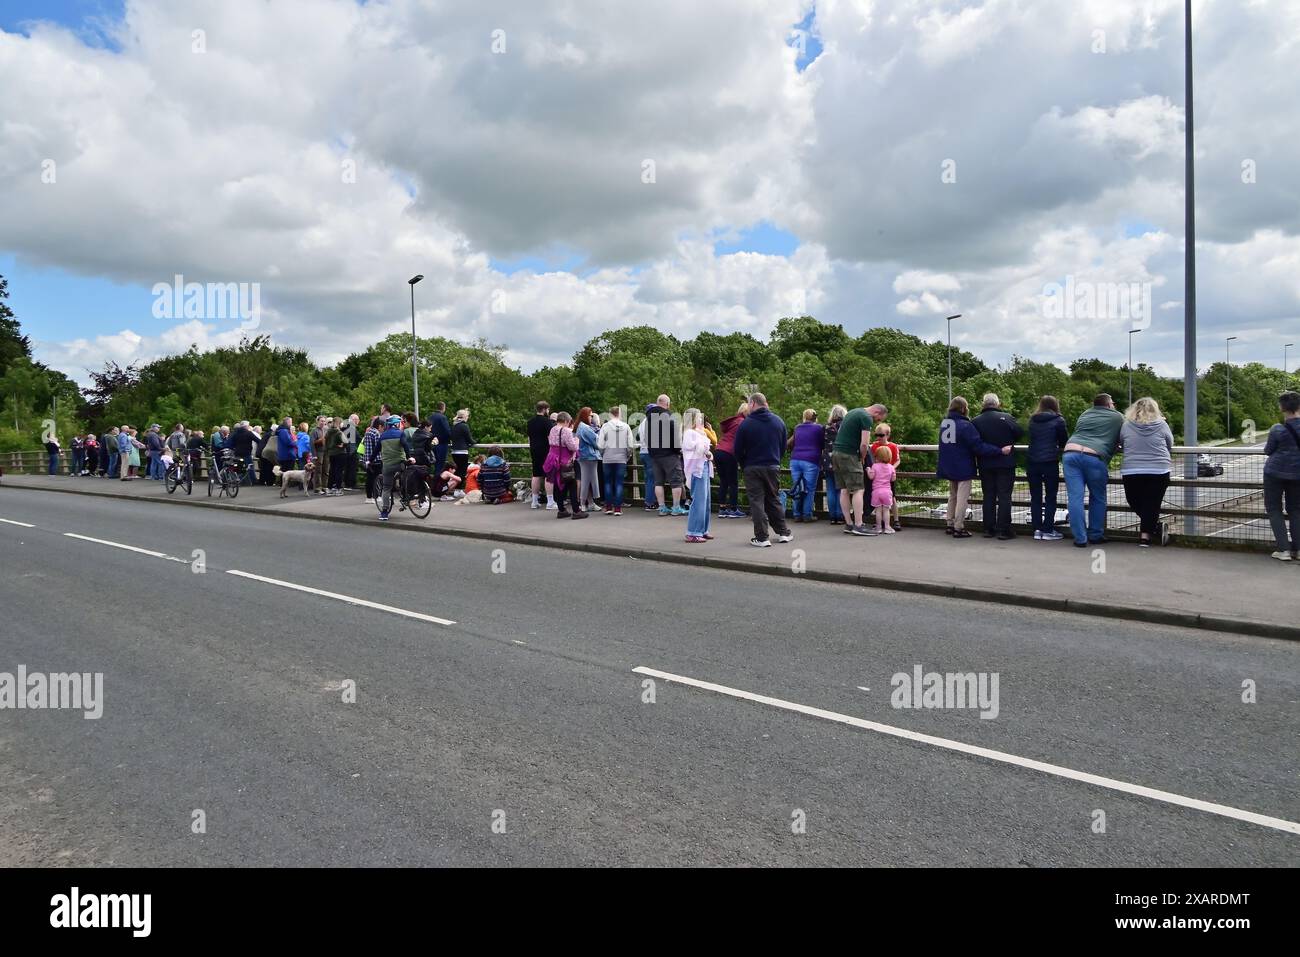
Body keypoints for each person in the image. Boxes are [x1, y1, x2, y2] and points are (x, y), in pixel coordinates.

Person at [936, 397, 1011, 540]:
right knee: (962, 498)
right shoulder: (966, 425)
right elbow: (978, 446)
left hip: (948, 465)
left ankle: (950, 523)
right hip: (962, 466)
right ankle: (959, 527)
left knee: (953, 496)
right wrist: (999, 451)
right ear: (964, 409)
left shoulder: (945, 423)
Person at [1062, 394, 1125, 547]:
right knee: (1097, 497)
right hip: (1094, 457)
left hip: (1070, 454)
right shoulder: (1118, 417)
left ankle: (1080, 538)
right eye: (1113, 403)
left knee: (1075, 498)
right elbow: (1124, 437)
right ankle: (1096, 535)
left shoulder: (1084, 414)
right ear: (1109, 404)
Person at [733, 393, 792, 548]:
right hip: (772, 466)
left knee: (756, 501)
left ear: (752, 404)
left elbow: (737, 449)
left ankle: (762, 537)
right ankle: (783, 533)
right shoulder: (778, 422)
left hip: (752, 467)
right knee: (774, 499)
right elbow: (783, 445)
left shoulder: (746, 424)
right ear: (765, 403)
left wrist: (744, 464)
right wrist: (776, 460)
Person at [1119, 397, 1174, 548]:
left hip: (1132, 469)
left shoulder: (1126, 425)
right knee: (1152, 503)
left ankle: (1145, 537)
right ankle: (1154, 528)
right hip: (1159, 469)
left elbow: (1122, 442)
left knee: (1134, 501)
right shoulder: (1162, 424)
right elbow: (1170, 443)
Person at [972, 393, 1024, 540]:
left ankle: (988, 528)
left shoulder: (975, 421)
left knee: (988, 496)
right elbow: (1019, 432)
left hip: (985, 463)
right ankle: (1003, 529)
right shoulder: (1007, 417)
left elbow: (974, 443)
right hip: (1005, 462)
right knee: (1004, 496)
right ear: (997, 404)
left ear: (983, 404)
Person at [831, 404, 886, 536]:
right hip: (849, 454)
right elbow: (864, 444)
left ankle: (849, 524)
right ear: (877, 412)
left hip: (836, 453)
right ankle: (859, 525)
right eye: (879, 419)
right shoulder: (866, 417)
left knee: (844, 489)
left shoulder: (853, 412)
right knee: (858, 489)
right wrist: (862, 457)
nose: (877, 421)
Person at [1262, 390, 1300, 561]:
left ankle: (1284, 550)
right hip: (1298, 474)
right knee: (1296, 510)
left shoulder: (1277, 429)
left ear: (1282, 408)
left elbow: (1268, 450)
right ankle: (1298, 550)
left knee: (1274, 509)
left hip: (1274, 473)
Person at [1026, 395, 1068, 541]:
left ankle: (1037, 529)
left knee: (1035, 497)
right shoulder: (1058, 420)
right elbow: (1064, 441)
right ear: (1055, 405)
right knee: (1050, 496)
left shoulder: (1033, 420)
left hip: (1032, 461)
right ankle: (1048, 529)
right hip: (1050, 461)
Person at [544, 412, 585, 519]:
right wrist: (577, 440)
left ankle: (561, 509)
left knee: (559, 484)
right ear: (567, 421)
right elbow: (573, 447)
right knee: (572, 484)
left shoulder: (552, 429)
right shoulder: (566, 430)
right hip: (564, 460)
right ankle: (576, 511)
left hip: (553, 459)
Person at [682, 408, 714, 543]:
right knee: (699, 501)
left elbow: (708, 449)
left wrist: (708, 452)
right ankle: (693, 531)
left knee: (706, 501)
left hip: (704, 465)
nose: (701, 419)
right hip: (696, 468)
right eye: (699, 417)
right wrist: (705, 449)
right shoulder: (689, 433)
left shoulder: (699, 432)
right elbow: (695, 449)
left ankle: (703, 529)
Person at [787, 409, 824, 524]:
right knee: (809, 489)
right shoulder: (819, 428)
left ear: (804, 417)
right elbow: (823, 443)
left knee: (798, 487)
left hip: (795, 459)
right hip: (811, 460)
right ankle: (807, 515)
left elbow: (790, 443)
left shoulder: (798, 427)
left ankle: (797, 515)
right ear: (815, 417)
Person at [376, 415, 413, 521]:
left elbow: (376, 450)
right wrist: (409, 457)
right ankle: (405, 495)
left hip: (387, 465)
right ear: (397, 424)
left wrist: (370, 460)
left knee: (386, 488)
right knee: (404, 476)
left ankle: (384, 512)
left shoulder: (382, 436)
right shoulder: (400, 433)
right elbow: (405, 446)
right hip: (400, 463)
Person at [714, 402, 747, 519]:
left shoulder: (733, 421)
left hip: (718, 451)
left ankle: (722, 509)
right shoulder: (743, 422)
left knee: (724, 481)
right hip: (729, 452)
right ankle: (733, 508)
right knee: (733, 482)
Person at [597, 405, 631, 515]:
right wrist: (628, 455)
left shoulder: (605, 427)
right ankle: (617, 508)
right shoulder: (626, 427)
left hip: (607, 457)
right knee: (619, 483)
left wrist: (603, 454)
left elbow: (600, 444)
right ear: (619, 414)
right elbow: (630, 444)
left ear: (610, 414)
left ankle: (608, 507)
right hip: (621, 458)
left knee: (607, 483)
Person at [870, 423, 902, 530]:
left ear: (887, 435)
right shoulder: (874, 446)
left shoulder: (893, 446)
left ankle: (896, 519)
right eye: (877, 435)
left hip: (889, 476)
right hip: (879, 477)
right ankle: (880, 522)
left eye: (881, 435)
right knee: (878, 501)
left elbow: (898, 460)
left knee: (892, 498)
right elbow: (872, 460)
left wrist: (891, 468)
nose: (879, 438)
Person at [821, 405, 846, 525]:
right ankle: (840, 515)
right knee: (840, 489)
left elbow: (822, 443)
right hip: (840, 459)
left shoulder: (825, 427)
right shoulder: (844, 426)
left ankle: (832, 516)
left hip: (827, 459)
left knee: (830, 489)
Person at [527, 400, 554, 510]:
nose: (548, 411)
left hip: (534, 450)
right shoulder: (547, 422)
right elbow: (550, 438)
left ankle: (534, 501)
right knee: (548, 475)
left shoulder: (530, 422)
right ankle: (550, 502)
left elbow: (529, 438)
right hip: (546, 450)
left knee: (536, 475)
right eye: (548, 409)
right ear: (544, 409)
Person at [867, 445, 898, 535]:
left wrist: (868, 470)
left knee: (878, 510)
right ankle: (887, 527)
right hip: (887, 492)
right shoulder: (891, 467)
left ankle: (878, 527)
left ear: (877, 456)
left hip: (876, 492)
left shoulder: (874, 466)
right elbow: (893, 479)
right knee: (886, 510)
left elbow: (871, 477)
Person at [576, 407, 601, 512]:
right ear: (586, 416)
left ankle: (589, 503)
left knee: (588, 480)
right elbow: (597, 442)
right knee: (587, 481)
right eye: (591, 416)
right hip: (588, 457)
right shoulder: (585, 428)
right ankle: (582, 504)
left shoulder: (579, 427)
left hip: (583, 456)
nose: (592, 418)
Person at [635, 412, 659, 512]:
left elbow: (638, 436)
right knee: (652, 479)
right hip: (650, 453)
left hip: (643, 452)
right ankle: (650, 503)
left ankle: (648, 501)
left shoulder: (643, 422)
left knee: (647, 479)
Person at [429, 402, 452, 479]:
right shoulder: (442, 417)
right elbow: (447, 431)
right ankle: (437, 484)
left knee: (434, 463)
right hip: (442, 443)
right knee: (440, 464)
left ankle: (432, 483)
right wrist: (450, 438)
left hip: (432, 443)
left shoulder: (431, 417)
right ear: (443, 408)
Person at [362, 416, 382, 502]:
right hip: (376, 459)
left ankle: (369, 497)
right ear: (379, 425)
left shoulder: (368, 432)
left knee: (369, 478)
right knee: (377, 478)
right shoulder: (376, 433)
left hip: (367, 458)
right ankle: (376, 496)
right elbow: (379, 447)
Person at [324, 417, 346, 494]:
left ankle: (329, 488)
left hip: (331, 453)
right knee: (339, 471)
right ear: (340, 423)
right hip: (340, 453)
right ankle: (338, 489)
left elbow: (325, 442)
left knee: (332, 470)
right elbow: (346, 442)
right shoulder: (339, 432)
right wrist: (343, 445)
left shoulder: (328, 432)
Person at [450, 409, 474, 480]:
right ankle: (459, 489)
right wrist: (474, 442)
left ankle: (455, 488)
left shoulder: (454, 426)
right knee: (463, 472)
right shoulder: (464, 426)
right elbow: (469, 439)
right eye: (467, 416)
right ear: (464, 417)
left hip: (454, 452)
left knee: (457, 471)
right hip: (462, 452)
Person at [343, 413, 361, 490]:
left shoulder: (345, 426)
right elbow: (354, 440)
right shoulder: (351, 427)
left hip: (347, 450)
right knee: (352, 467)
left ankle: (347, 484)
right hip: (351, 450)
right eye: (357, 420)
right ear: (353, 420)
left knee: (348, 467)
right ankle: (351, 484)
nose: (358, 422)